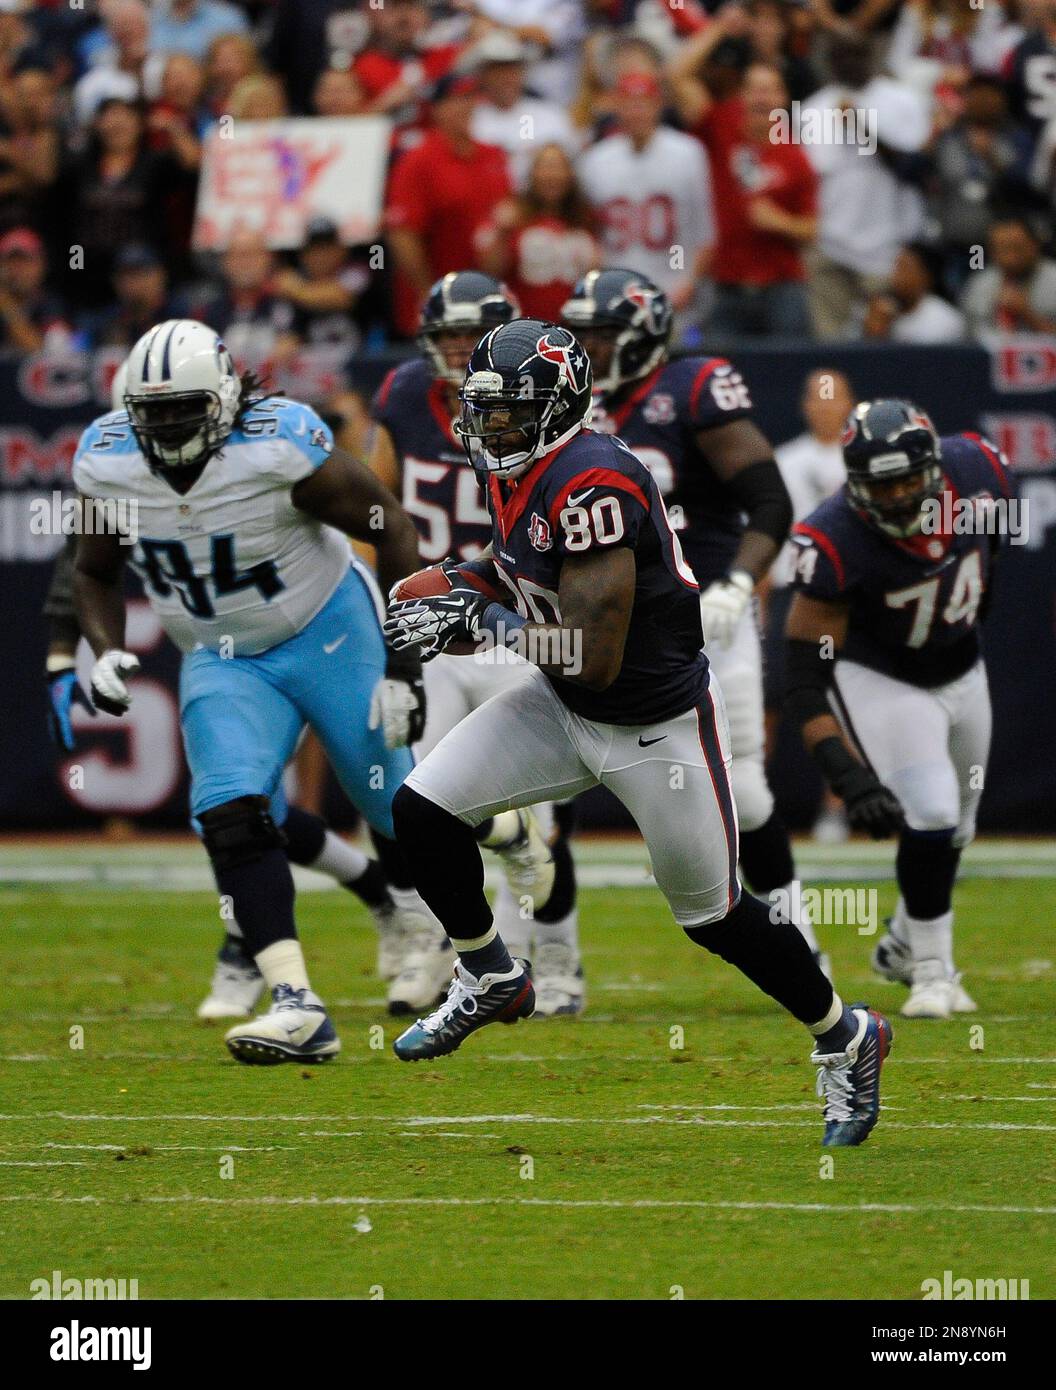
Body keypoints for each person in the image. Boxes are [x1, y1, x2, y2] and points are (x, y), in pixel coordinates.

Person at [383, 318, 891, 1148]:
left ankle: (847, 1034)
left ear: (556, 409)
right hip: (560, 706)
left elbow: (591, 655)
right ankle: (489, 973)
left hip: (653, 724)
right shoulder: (522, 470)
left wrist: (475, 617)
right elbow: (521, 567)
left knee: (716, 918)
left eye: (507, 412)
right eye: (483, 409)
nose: (488, 427)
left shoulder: (593, 482)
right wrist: (457, 582)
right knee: (420, 809)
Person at [71, 319, 436, 1063]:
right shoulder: (109, 460)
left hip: (330, 628)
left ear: (229, 398)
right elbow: (95, 572)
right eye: (154, 414)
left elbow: (393, 528)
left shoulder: (279, 445)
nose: (169, 428)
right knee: (230, 811)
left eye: (184, 410)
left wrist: (405, 665)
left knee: (389, 804)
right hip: (221, 654)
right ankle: (297, 1005)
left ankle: (420, 913)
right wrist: (104, 651)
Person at [562, 268, 827, 976]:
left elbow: (769, 499)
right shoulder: (563, 403)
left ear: (645, 336)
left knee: (743, 791)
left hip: (704, 615)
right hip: (606, 625)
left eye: (602, 333)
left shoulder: (692, 387)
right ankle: (543, 958)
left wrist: (739, 582)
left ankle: (799, 938)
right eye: (581, 332)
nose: (588, 346)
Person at [369, 271, 583, 1015]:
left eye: (473, 335)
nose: (461, 351)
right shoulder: (402, 397)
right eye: (450, 337)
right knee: (428, 798)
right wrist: (395, 645)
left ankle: (554, 956)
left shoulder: (536, 401)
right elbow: (380, 514)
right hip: (442, 627)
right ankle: (447, 953)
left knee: (544, 809)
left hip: (516, 614)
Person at [785, 400, 1012, 1017]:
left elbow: (991, 558)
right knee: (934, 811)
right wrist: (847, 773)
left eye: (910, 479)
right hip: (882, 673)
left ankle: (902, 943)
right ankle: (934, 973)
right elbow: (805, 672)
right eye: (882, 485)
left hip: (963, 663)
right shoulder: (832, 538)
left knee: (957, 829)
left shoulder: (982, 469)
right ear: (854, 484)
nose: (900, 497)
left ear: (935, 468)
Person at [667, 53, 818, 339]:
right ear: (742, 95)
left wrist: (780, 222)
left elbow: (812, 231)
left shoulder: (797, 158)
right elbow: (676, 75)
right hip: (728, 288)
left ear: (783, 98)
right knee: (718, 374)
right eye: (755, 89)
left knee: (790, 372)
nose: (762, 98)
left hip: (782, 289)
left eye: (770, 90)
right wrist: (722, 25)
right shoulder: (721, 127)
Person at [768, 368, 852, 844]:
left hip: (846, 597)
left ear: (849, 403)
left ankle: (836, 808)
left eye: (833, 396)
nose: (824, 405)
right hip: (790, 592)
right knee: (767, 701)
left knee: (843, 701)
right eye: (817, 396)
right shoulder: (785, 460)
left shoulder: (864, 456)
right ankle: (753, 806)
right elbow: (767, 534)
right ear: (804, 405)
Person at [385, 71, 512, 337]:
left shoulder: (493, 156)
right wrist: (429, 294)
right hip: (437, 307)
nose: (466, 106)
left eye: (470, 98)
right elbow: (402, 234)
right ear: (437, 109)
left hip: (486, 303)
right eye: (457, 99)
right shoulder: (418, 161)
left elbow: (504, 218)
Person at [577, 71, 714, 315]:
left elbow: (703, 229)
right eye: (628, 105)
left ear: (658, 106)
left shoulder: (688, 153)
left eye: (643, 105)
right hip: (615, 288)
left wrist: (689, 283)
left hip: (673, 285)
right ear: (616, 108)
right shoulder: (596, 159)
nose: (636, 113)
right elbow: (588, 230)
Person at [476, 143, 601, 322]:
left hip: (573, 327)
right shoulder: (514, 215)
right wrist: (502, 234)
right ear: (532, 174)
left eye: (558, 168)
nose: (552, 175)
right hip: (524, 325)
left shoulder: (584, 218)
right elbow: (490, 269)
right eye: (545, 168)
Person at [960, 211, 1056, 337]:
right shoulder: (980, 283)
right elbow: (965, 339)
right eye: (1002, 249)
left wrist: (1028, 315)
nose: (1010, 258)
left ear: (1035, 245)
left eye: (1016, 248)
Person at [862, 243, 967, 343]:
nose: (897, 275)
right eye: (896, 267)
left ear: (926, 275)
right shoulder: (880, 312)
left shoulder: (943, 320)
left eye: (905, 268)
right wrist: (877, 329)